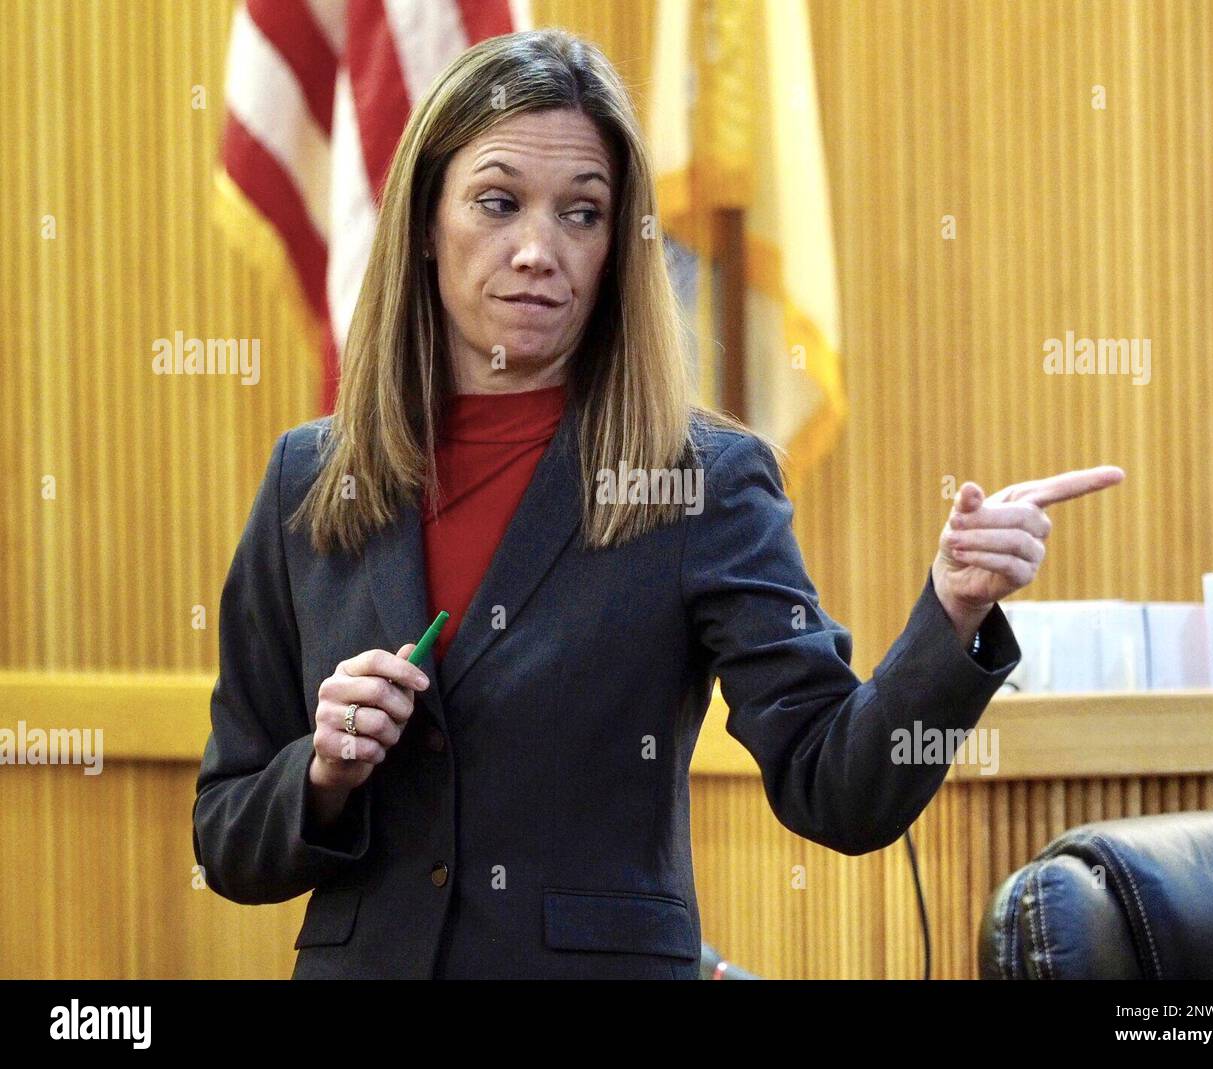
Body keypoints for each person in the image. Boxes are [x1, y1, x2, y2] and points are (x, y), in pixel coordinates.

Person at [191, 27, 1124, 980]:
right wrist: (322, 774)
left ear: (619, 245)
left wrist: (953, 610)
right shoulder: (309, 479)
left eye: (582, 214)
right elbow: (225, 834)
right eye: (499, 202)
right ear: (426, 224)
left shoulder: (703, 483)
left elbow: (837, 790)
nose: (536, 250)